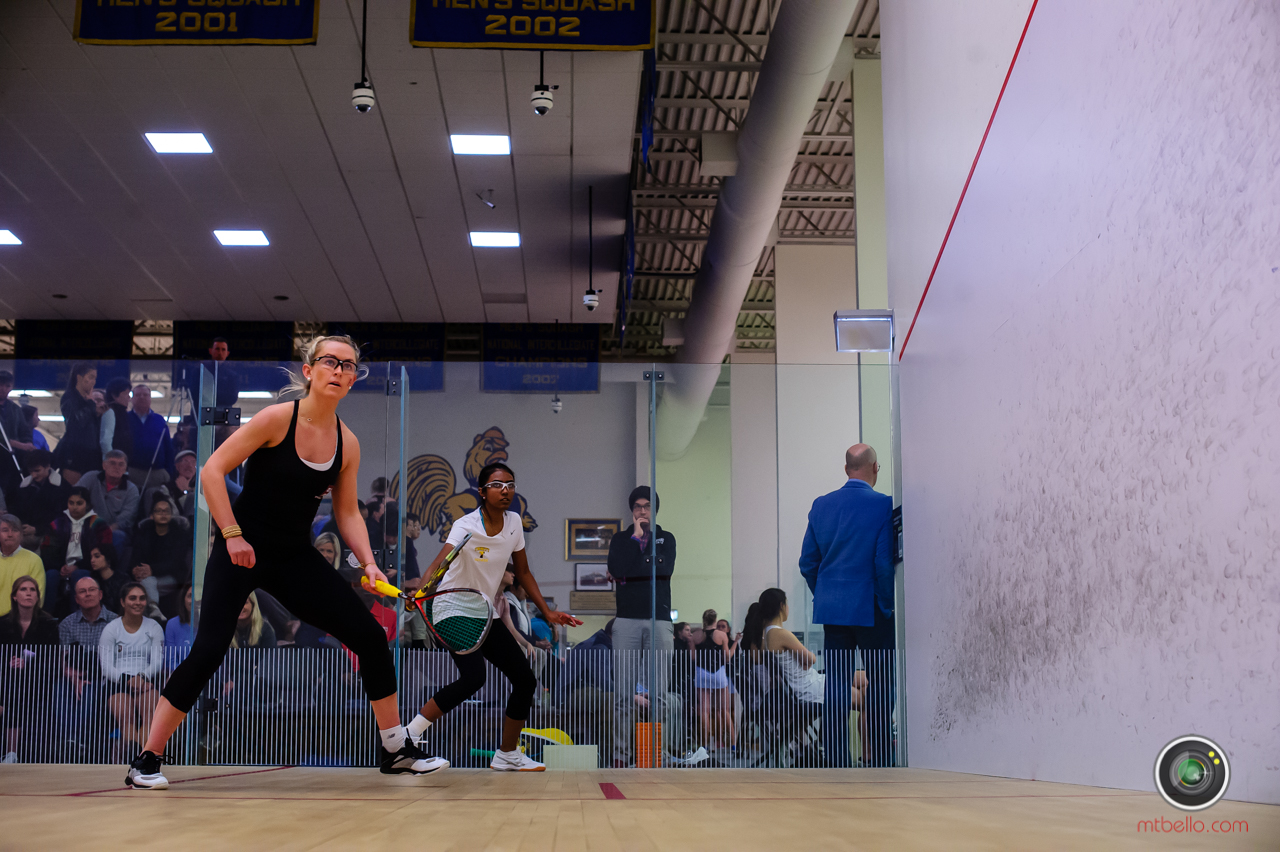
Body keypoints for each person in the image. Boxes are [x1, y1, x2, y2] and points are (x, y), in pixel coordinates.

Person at [129, 335, 444, 790]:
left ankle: (395, 750)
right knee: (210, 650)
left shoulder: (347, 443)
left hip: (294, 556)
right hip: (242, 550)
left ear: (353, 379)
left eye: (349, 366)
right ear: (310, 370)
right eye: (330, 362)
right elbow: (212, 472)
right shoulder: (277, 418)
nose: (340, 370)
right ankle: (147, 758)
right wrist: (232, 534)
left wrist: (369, 564)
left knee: (371, 637)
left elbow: (348, 512)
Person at [405, 462, 582, 772]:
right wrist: (420, 592)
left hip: (483, 610)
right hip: (453, 608)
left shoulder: (514, 523)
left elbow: (523, 571)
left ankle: (507, 754)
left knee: (525, 680)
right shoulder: (465, 525)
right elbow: (439, 564)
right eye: (498, 485)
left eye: (510, 484)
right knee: (474, 678)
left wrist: (547, 611)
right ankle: (409, 734)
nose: (506, 491)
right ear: (482, 492)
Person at [799, 443, 895, 768]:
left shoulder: (821, 505)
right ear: (875, 468)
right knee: (881, 682)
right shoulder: (883, 505)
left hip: (833, 612)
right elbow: (883, 563)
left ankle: (837, 759)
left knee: (837, 683)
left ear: (845, 469)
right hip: (871, 609)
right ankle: (880, 757)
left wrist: (824, 593)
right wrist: (886, 604)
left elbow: (807, 563)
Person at [605, 485, 677, 766]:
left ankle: (654, 754)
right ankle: (622, 756)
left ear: (654, 509)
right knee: (624, 694)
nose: (642, 510)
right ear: (631, 510)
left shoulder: (666, 538)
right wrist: (636, 541)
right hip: (625, 620)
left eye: (647, 506)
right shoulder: (621, 539)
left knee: (658, 694)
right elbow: (618, 570)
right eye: (637, 506)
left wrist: (630, 570)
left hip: (659, 619)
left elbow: (663, 570)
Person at [99, 583, 165, 756]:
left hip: (146, 681)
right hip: (117, 683)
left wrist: (142, 677)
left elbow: (157, 662)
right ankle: (137, 755)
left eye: (142, 598)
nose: (138, 602)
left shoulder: (154, 627)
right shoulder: (111, 629)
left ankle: (139, 756)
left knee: (150, 715)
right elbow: (106, 668)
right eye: (132, 598)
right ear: (122, 602)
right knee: (126, 717)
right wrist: (128, 680)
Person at [0, 576, 61, 762]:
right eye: (23, 589)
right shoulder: (2, 624)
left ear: (37, 596)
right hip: (6, 681)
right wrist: (8, 664)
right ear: (14, 597)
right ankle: (11, 754)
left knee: (15, 692)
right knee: (11, 687)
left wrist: (28, 665)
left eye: (32, 590)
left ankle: (12, 753)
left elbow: (53, 661)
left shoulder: (49, 624)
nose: (28, 593)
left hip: (38, 682)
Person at [58, 575, 120, 751]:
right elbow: (63, 658)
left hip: (105, 676)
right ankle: (69, 741)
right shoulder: (67, 624)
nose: (88, 594)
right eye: (82, 592)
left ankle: (82, 741)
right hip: (73, 674)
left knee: (89, 690)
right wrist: (70, 674)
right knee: (58, 689)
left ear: (100, 594)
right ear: (76, 599)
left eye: (92, 590)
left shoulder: (116, 622)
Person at [41, 488, 112, 618]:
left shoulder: (98, 524)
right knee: (50, 575)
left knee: (81, 575)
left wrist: (78, 566)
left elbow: (105, 552)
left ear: (88, 504)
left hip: (86, 567)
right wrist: (60, 566)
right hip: (60, 567)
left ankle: (78, 617)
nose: (74, 507)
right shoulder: (57, 524)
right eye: (71, 503)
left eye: (79, 503)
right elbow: (47, 550)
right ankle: (46, 618)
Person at [130, 497, 191, 615]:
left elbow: (176, 563)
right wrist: (135, 570)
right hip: (148, 577)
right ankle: (155, 611)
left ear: (171, 514)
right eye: (159, 511)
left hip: (172, 577)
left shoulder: (179, 534)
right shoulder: (144, 533)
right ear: (152, 515)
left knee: (147, 582)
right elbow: (135, 556)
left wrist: (151, 570)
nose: (163, 514)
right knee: (147, 582)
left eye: (166, 511)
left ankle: (153, 608)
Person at [77, 450, 141, 549]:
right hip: (87, 524)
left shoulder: (132, 490)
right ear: (104, 465)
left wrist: (106, 531)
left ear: (125, 468)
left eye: (121, 464)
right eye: (112, 463)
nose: (117, 467)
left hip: (115, 529)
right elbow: (75, 497)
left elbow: (126, 519)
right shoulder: (90, 477)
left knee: (117, 536)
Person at [694, 609, 735, 751]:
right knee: (724, 710)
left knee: (704, 710)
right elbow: (727, 657)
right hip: (719, 673)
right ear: (715, 620)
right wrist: (734, 644)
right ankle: (734, 744)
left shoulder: (697, 635)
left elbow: (693, 658)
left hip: (701, 672)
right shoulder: (722, 635)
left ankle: (704, 745)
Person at [54, 363, 100, 485]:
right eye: (90, 377)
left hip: (90, 454)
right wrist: (90, 405)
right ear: (79, 377)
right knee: (73, 491)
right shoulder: (69, 397)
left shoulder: (87, 400)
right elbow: (76, 422)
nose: (93, 382)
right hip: (74, 453)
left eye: (95, 378)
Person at [15, 449, 70, 550]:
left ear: (48, 467)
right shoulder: (24, 487)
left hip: (51, 535)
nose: (33, 475)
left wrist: (37, 529)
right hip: (26, 532)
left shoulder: (62, 488)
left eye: (37, 471)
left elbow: (62, 519)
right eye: (31, 471)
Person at [128, 385, 175, 492]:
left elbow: (168, 447)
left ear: (150, 398)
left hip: (157, 473)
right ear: (132, 398)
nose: (142, 397)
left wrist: (168, 472)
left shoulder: (159, 420)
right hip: (133, 472)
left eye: (145, 395)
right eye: (138, 395)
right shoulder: (125, 419)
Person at [0, 514, 45, 615]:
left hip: (20, 622)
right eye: (5, 530)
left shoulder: (34, 560)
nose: (10, 534)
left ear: (21, 535)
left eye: (15, 530)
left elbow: (38, 599)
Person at [99, 378, 135, 464]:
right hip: (115, 463)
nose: (129, 397)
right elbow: (105, 441)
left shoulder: (123, 414)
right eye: (125, 394)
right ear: (114, 395)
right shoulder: (110, 412)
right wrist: (109, 462)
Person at [164, 585, 194, 649]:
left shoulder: (210, 624)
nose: (194, 600)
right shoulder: (172, 624)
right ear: (184, 599)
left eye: (199, 596)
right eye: (190, 596)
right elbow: (170, 658)